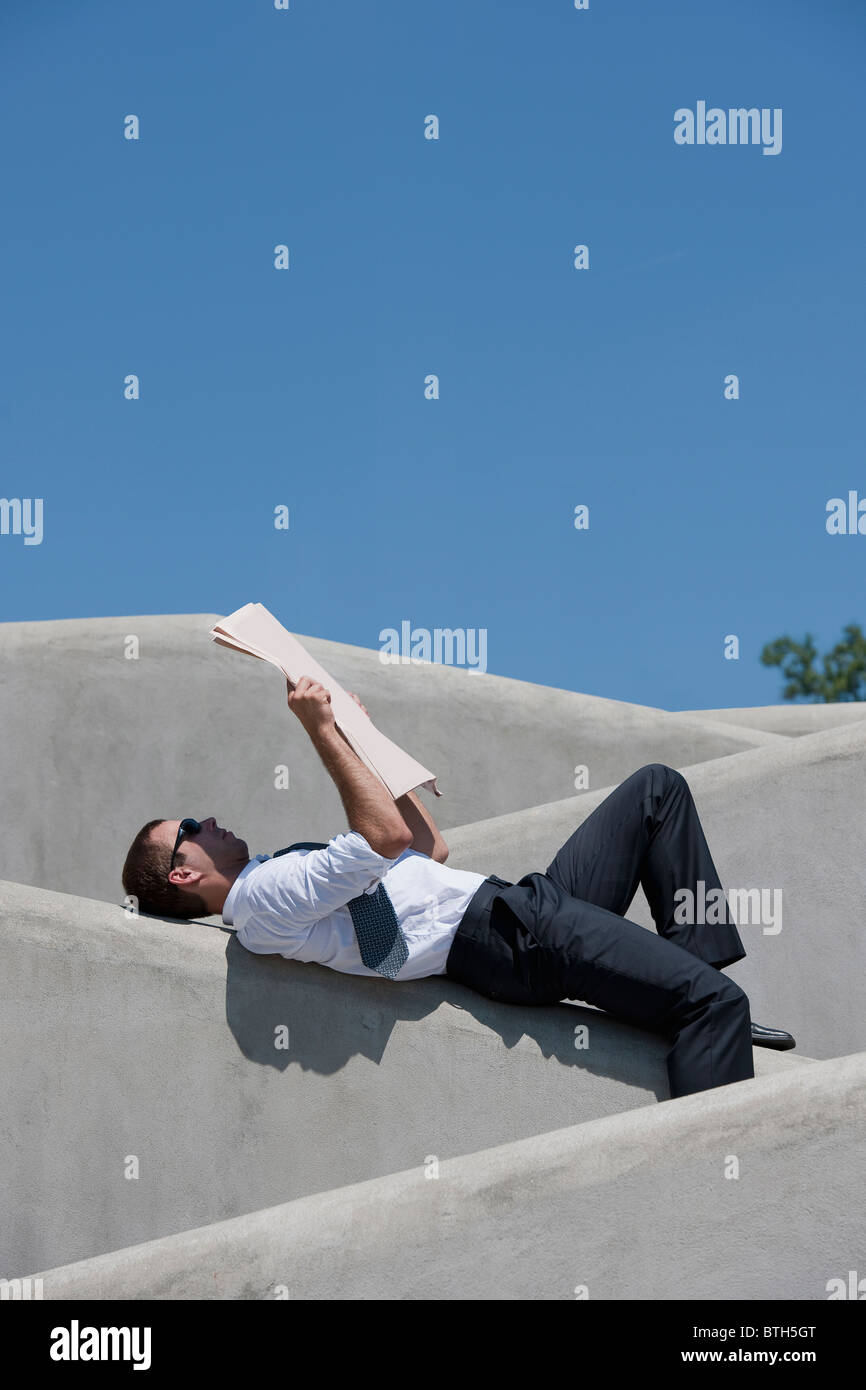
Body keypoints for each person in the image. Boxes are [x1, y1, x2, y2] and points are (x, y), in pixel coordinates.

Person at [122, 676, 795, 1100]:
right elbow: (384, 838)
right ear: (183, 872)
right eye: (189, 826)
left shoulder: (278, 878)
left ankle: (690, 967)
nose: (206, 819)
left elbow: (426, 848)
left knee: (657, 790)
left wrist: (366, 742)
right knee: (716, 1007)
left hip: (523, 911)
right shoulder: (263, 897)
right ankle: (713, 1177)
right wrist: (323, 732)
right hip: (511, 939)